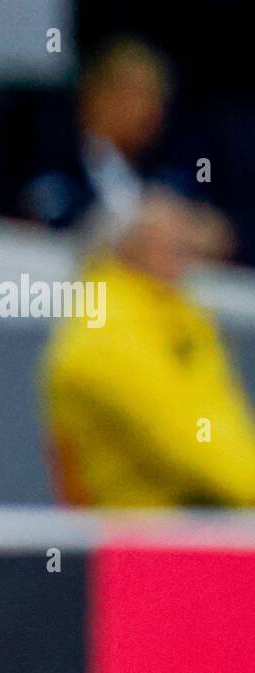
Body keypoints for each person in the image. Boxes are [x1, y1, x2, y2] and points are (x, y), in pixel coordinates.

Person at [40, 186, 255, 507]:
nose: (186, 259)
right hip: (141, 541)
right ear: (134, 246)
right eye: (175, 246)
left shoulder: (174, 317)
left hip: (197, 526)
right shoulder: (107, 334)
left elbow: (217, 423)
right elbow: (186, 442)